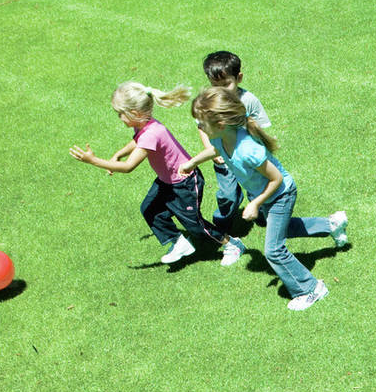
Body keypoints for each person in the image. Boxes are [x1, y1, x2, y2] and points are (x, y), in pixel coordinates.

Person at [181, 86, 348, 311]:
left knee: (274, 250)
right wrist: (193, 162)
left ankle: (311, 289)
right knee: (284, 229)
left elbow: (276, 179)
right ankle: (331, 225)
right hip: (266, 196)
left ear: (220, 124)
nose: (199, 127)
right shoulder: (222, 138)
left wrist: (255, 203)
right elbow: (215, 150)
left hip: (280, 194)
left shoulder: (248, 149)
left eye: (201, 123)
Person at [69, 81, 245, 266]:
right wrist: (118, 154)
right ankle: (179, 243)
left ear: (135, 113)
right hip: (167, 181)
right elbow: (138, 141)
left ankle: (232, 245)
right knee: (150, 209)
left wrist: (93, 160)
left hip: (184, 183)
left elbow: (129, 166)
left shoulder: (151, 133)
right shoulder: (144, 126)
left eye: (120, 114)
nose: (119, 117)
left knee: (194, 224)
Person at [199, 51, 273, 235]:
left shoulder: (248, 100)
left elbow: (261, 128)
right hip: (223, 157)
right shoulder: (210, 102)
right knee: (228, 196)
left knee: (257, 189)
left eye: (226, 84)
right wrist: (210, 149)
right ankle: (222, 224)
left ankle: (261, 212)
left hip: (247, 160)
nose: (221, 91)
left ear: (239, 78)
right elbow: (202, 126)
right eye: (215, 85)